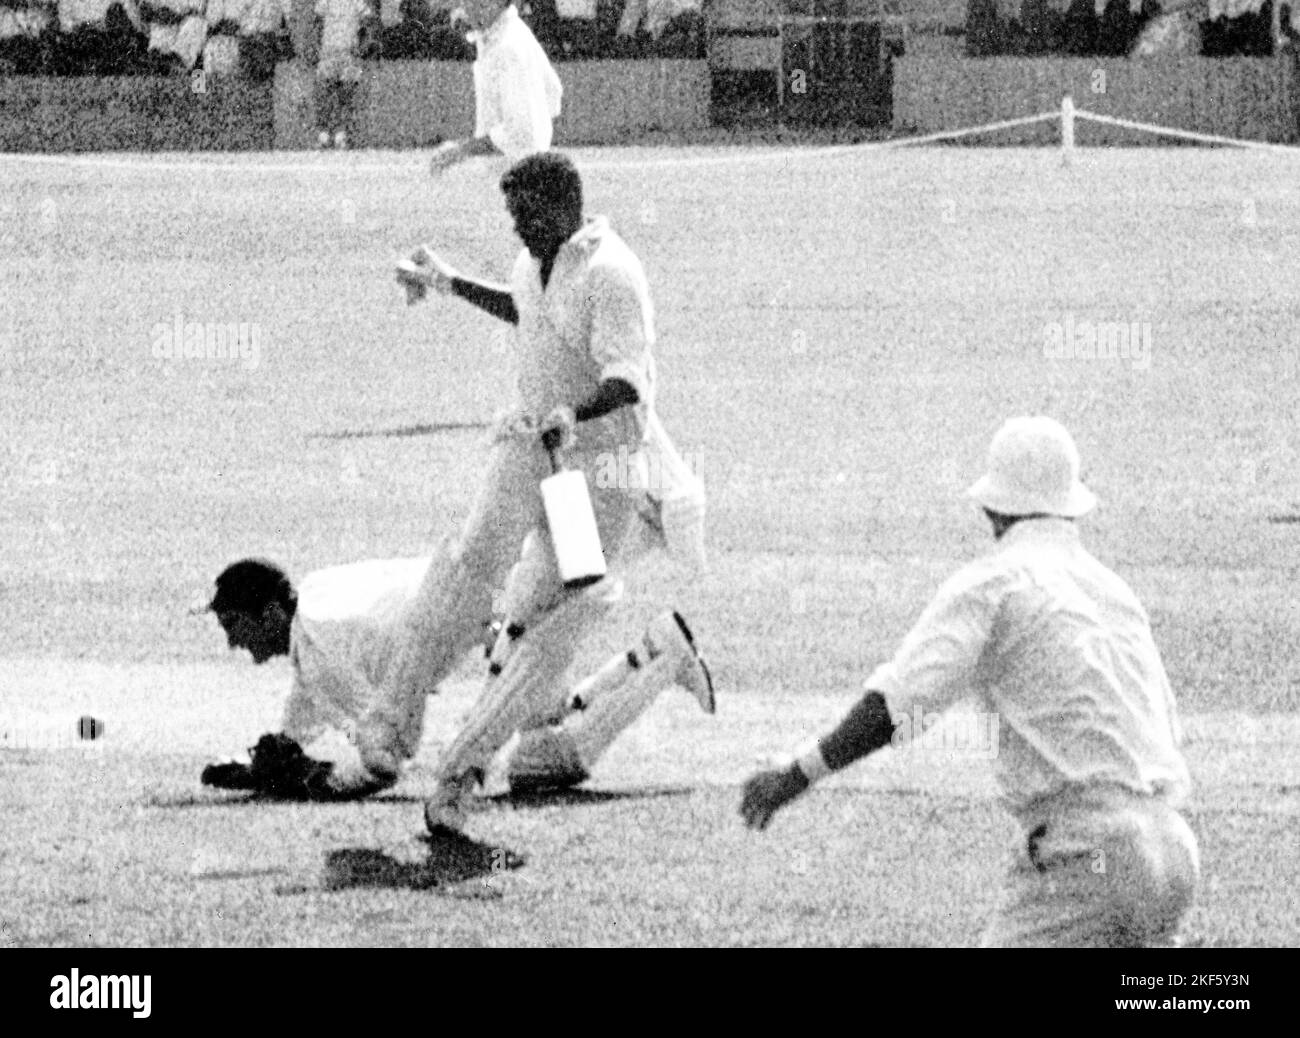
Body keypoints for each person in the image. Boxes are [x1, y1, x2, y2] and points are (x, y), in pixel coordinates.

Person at [740, 416, 1200, 948]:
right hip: (1171, 851)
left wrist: (796, 774)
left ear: (992, 507)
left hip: (1087, 856)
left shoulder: (994, 581)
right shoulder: (1115, 593)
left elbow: (900, 704)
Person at [392, 150, 704, 835]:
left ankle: (458, 774)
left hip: (595, 476)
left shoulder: (611, 272)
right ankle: (655, 654)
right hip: (544, 455)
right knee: (528, 687)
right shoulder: (539, 260)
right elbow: (529, 311)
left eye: (526, 214)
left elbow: (630, 382)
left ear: (565, 207)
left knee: (542, 637)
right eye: (511, 216)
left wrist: (574, 415)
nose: (518, 228)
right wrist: (448, 284)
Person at [195, 555, 714, 800]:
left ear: (266, 615)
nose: (231, 642)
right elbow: (306, 706)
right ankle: (652, 651)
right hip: (504, 587)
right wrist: (261, 758)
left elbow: (380, 761)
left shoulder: (317, 648)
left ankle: (663, 658)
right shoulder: (317, 597)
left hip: (510, 608)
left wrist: (311, 780)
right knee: (542, 727)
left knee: (543, 760)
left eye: (231, 625)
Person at [427, 0, 562, 176]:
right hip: (516, 172)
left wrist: (461, 150)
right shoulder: (510, 33)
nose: (468, 7)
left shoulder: (508, 47)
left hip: (518, 178)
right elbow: (553, 92)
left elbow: (520, 132)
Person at [313, 0, 372, 148]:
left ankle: (341, 134)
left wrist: (362, 45)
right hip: (329, 50)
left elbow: (367, 21)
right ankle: (324, 134)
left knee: (346, 93)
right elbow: (318, 22)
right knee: (325, 92)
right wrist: (316, 46)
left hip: (348, 51)